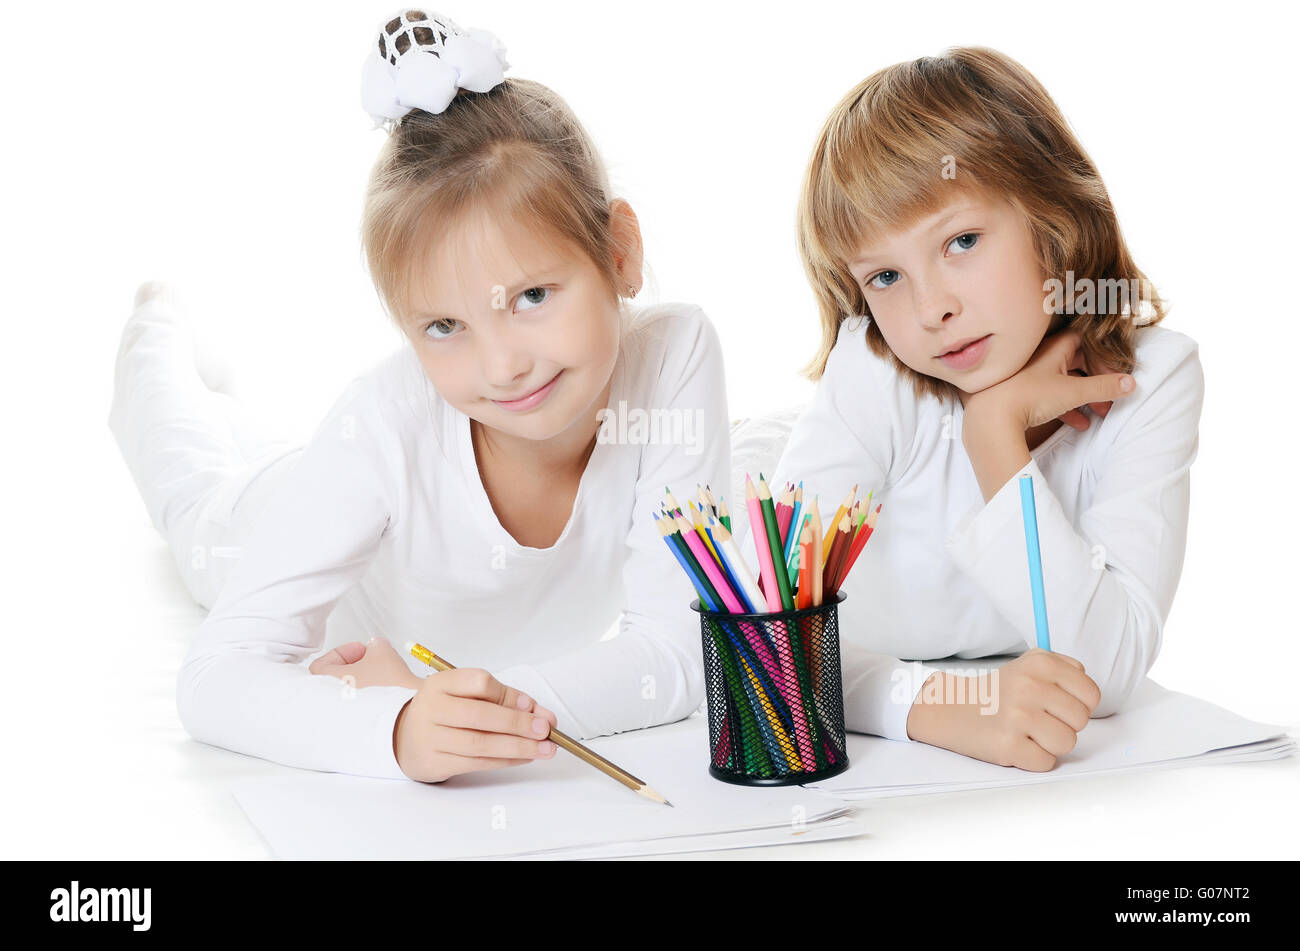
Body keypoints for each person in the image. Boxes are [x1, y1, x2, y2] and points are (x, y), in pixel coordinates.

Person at [107, 9, 730, 783]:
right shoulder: (382, 426)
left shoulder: (675, 356)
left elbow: (680, 649)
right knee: (190, 480)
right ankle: (155, 325)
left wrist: (453, 702)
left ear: (620, 252)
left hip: (348, 507)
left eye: (532, 295)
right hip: (267, 515)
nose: (502, 365)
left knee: (257, 446)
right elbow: (211, 680)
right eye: (443, 325)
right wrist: (398, 726)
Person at [757, 46, 1204, 771]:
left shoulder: (1153, 378)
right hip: (769, 464)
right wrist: (939, 706)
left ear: (1053, 217)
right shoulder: (875, 370)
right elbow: (763, 644)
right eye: (886, 276)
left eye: (961, 241)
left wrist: (995, 438)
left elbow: (1107, 671)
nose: (933, 308)